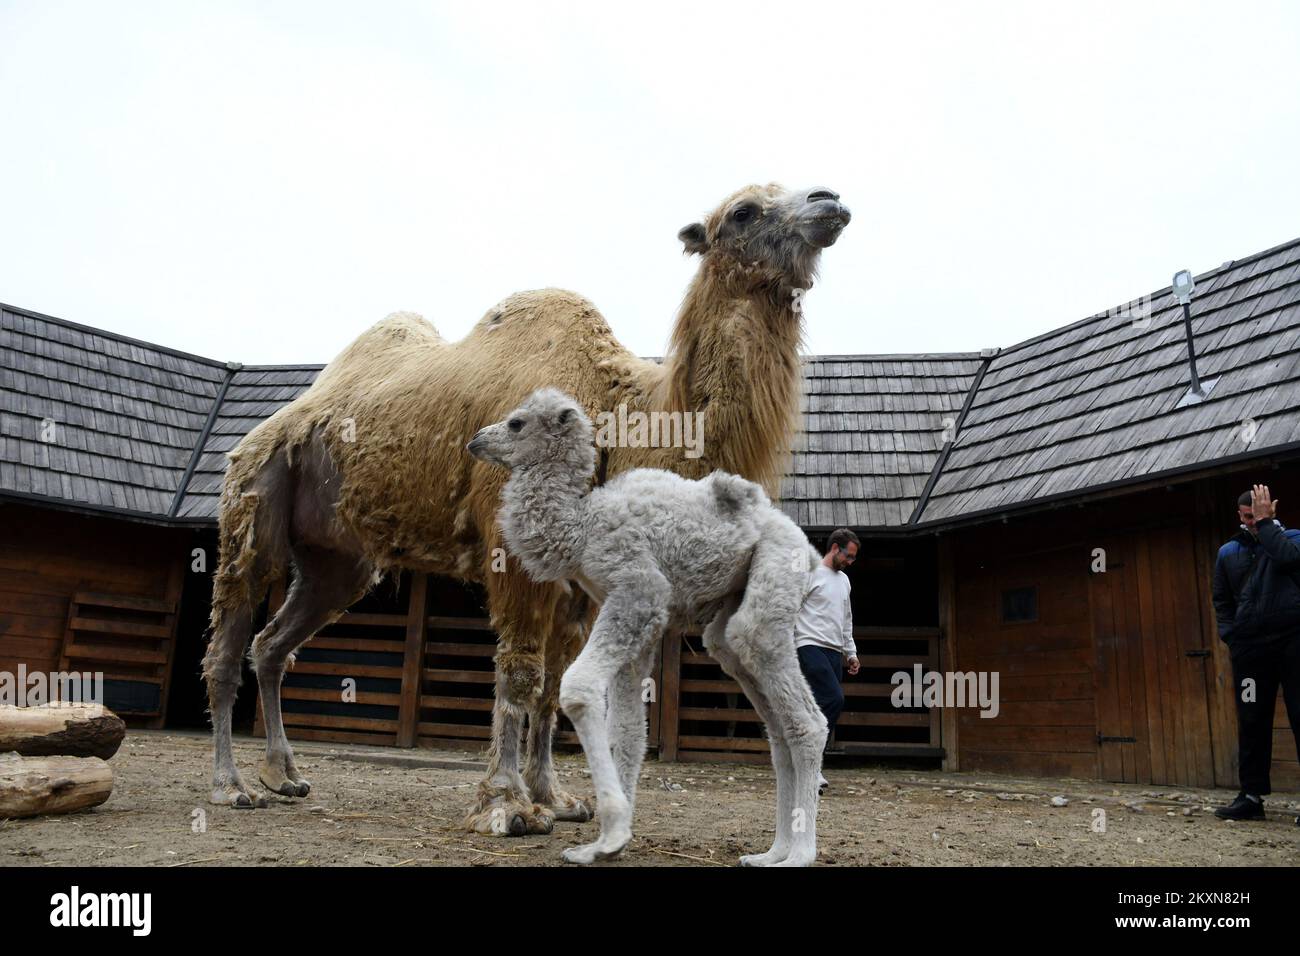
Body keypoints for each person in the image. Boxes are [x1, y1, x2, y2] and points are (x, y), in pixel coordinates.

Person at [1211, 484, 1300, 824]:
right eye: (1247, 517)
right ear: (1239, 515)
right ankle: (1250, 797)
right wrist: (1234, 638)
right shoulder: (1227, 552)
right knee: (1251, 720)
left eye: (1257, 516)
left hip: (1294, 643)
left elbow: (1290, 559)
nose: (1251, 523)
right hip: (1251, 652)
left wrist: (1267, 526)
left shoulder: (1290, 539)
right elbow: (1222, 601)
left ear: (1271, 510)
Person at [794, 527, 860, 794]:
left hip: (834, 651)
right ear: (835, 548)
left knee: (819, 709)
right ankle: (808, 762)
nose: (850, 562)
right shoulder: (810, 573)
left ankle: (807, 764)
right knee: (834, 698)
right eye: (849, 556)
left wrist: (851, 652)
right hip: (809, 644)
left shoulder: (844, 580)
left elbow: (846, 619)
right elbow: (793, 607)